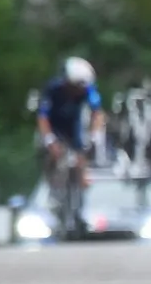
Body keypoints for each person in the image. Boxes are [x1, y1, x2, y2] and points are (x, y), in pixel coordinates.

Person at [36, 56, 105, 216]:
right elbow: (42, 117)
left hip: (73, 126)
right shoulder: (53, 89)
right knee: (54, 153)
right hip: (53, 126)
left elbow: (98, 112)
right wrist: (49, 139)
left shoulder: (88, 89)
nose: (79, 92)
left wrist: (95, 135)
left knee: (81, 156)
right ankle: (52, 187)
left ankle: (80, 191)